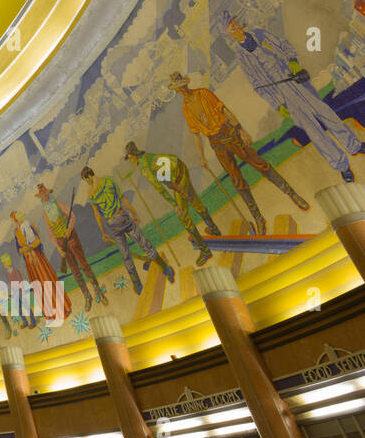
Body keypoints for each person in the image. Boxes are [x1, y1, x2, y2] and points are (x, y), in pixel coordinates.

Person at [224, 13, 365, 182]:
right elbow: (258, 85)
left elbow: (285, 46)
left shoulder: (260, 34)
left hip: (296, 80)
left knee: (327, 114)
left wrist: (293, 62)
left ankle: (355, 145)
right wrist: (278, 105)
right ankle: (342, 166)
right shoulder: (242, 57)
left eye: (236, 23)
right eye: (232, 27)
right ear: (230, 34)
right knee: (314, 131)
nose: (237, 27)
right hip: (283, 96)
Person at [169, 71, 309, 234]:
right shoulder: (186, 109)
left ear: (186, 84)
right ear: (177, 91)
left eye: (183, 86)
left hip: (229, 133)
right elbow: (196, 135)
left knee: (259, 164)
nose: (182, 90)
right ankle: (258, 218)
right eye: (179, 89)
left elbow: (225, 111)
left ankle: (292, 195)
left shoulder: (204, 93)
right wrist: (201, 157)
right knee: (237, 180)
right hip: (216, 144)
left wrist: (240, 129)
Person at [82, 166, 175, 294]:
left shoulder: (91, 193)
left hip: (112, 224)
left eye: (85, 180)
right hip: (123, 217)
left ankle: (138, 286)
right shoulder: (108, 181)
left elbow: (97, 215)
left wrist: (103, 232)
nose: (87, 183)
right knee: (144, 243)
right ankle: (166, 270)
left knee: (126, 255)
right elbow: (123, 199)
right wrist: (134, 213)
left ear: (87, 178)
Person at [124, 140, 217, 264]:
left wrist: (174, 205)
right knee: (195, 202)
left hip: (178, 180)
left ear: (135, 155)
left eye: (130, 158)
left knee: (184, 218)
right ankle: (214, 229)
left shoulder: (144, 166)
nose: (131, 161)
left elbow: (160, 188)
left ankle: (205, 251)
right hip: (181, 169)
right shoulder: (148, 156)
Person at [36, 183, 107, 309]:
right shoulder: (44, 212)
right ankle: (87, 296)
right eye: (42, 196)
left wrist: (69, 229)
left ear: (48, 193)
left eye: (45, 194)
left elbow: (72, 216)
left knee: (84, 264)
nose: (44, 197)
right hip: (61, 242)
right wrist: (58, 248)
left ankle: (98, 291)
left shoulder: (57, 203)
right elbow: (50, 233)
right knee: (74, 270)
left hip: (71, 237)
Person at [10, 211, 71, 319]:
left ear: (16, 220)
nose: (12, 223)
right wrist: (23, 249)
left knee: (47, 281)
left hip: (38, 259)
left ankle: (63, 308)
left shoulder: (28, 225)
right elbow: (18, 249)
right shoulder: (16, 233)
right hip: (30, 262)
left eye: (13, 221)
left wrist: (30, 247)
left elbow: (37, 241)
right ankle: (49, 313)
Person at [0, 254, 38, 329]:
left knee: (26, 307)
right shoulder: (8, 273)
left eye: (4, 263)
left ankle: (33, 322)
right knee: (19, 309)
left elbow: (20, 281)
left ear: (8, 262)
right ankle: (25, 322)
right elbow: (11, 283)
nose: (4, 265)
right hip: (15, 293)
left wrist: (23, 292)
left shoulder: (15, 271)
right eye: (3, 263)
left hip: (20, 291)